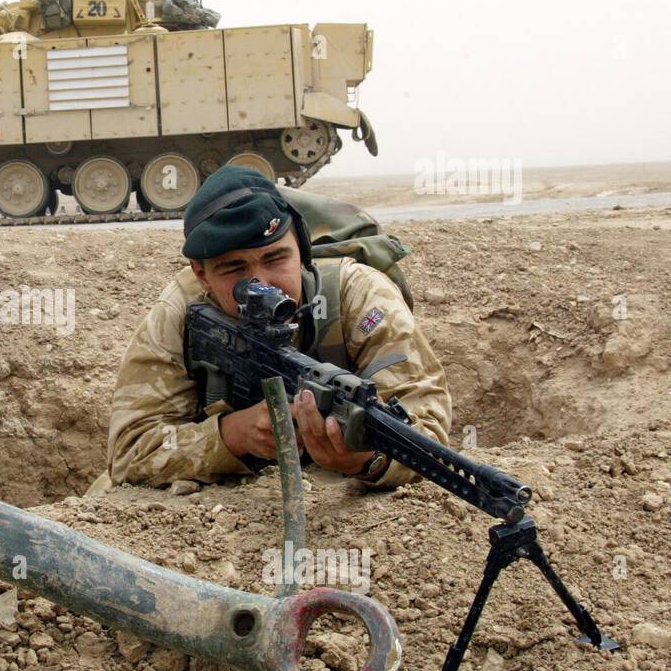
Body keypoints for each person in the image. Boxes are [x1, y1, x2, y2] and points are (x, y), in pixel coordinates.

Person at [97, 167, 452, 491]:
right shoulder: (182, 311)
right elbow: (129, 452)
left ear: (302, 248)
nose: (263, 284)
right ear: (201, 273)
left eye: (275, 258)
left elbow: (427, 430)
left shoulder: (358, 294)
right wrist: (232, 436)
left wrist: (366, 460)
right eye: (234, 268)